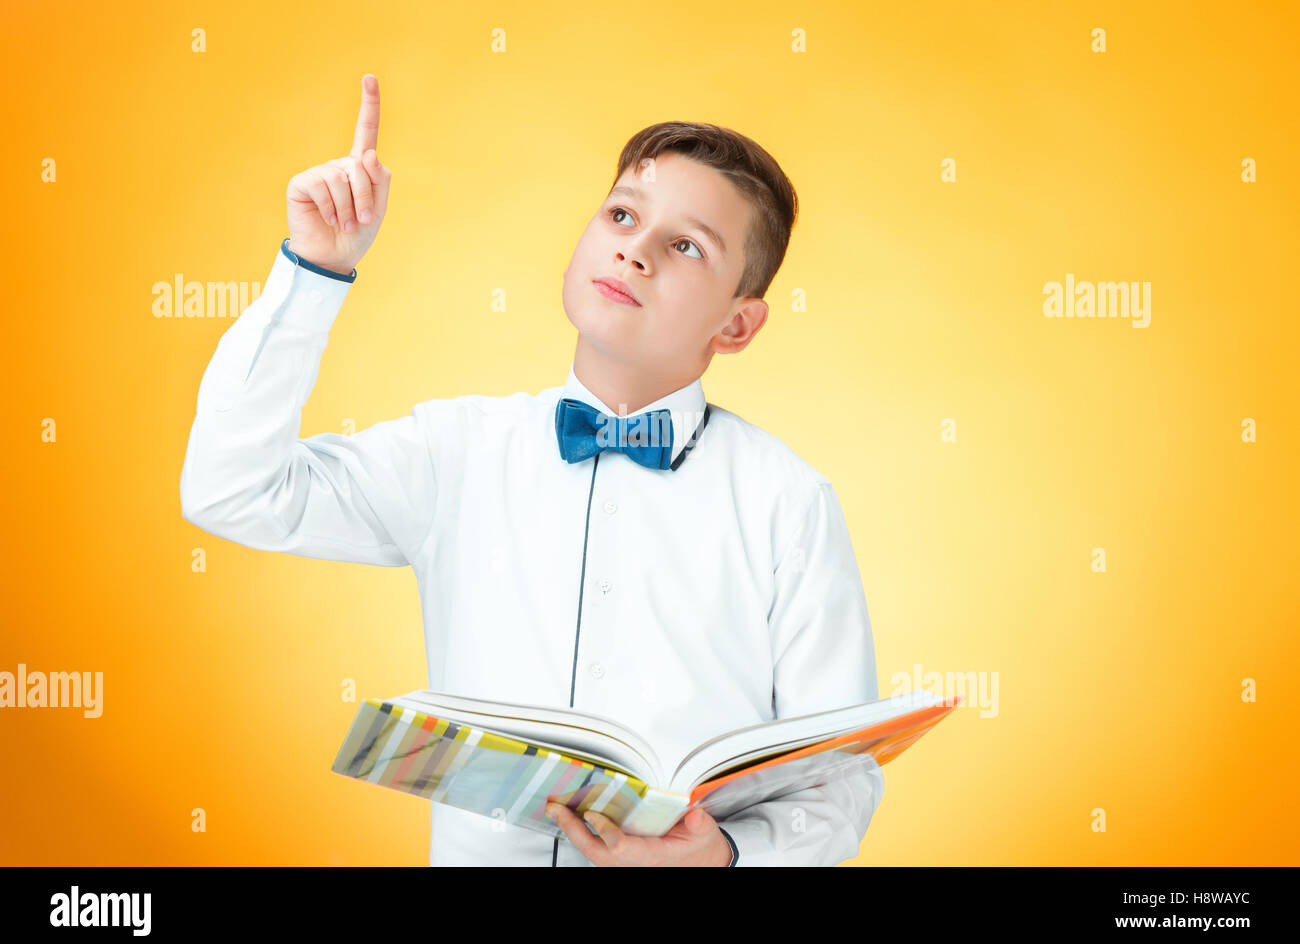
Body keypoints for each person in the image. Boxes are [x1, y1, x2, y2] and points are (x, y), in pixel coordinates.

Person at [180, 73, 884, 866]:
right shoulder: (456, 451)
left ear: (738, 323)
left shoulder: (787, 502)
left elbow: (839, 778)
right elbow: (232, 491)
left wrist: (726, 855)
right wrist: (313, 270)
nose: (635, 250)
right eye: (622, 215)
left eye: (686, 246)